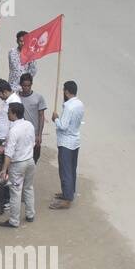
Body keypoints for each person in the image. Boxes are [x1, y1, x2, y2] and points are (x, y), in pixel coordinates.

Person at [51, 80, 84, 209]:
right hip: (75, 140)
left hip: (66, 142)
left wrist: (56, 118)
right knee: (71, 168)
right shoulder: (80, 104)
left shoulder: (69, 107)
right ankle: (69, 192)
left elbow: (63, 126)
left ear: (66, 91)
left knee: (65, 170)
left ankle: (67, 199)